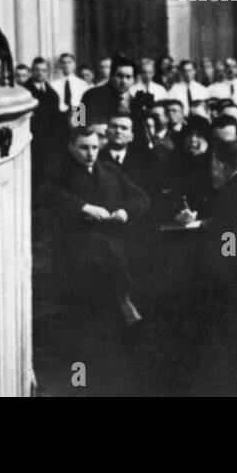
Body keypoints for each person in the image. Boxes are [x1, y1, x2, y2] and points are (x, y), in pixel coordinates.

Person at [44, 126, 150, 327]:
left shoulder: (110, 170)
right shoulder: (59, 173)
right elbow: (47, 194)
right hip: (77, 242)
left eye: (94, 147)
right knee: (104, 249)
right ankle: (123, 299)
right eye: (84, 148)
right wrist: (83, 207)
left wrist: (125, 211)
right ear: (71, 147)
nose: (90, 153)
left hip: (114, 236)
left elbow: (141, 197)